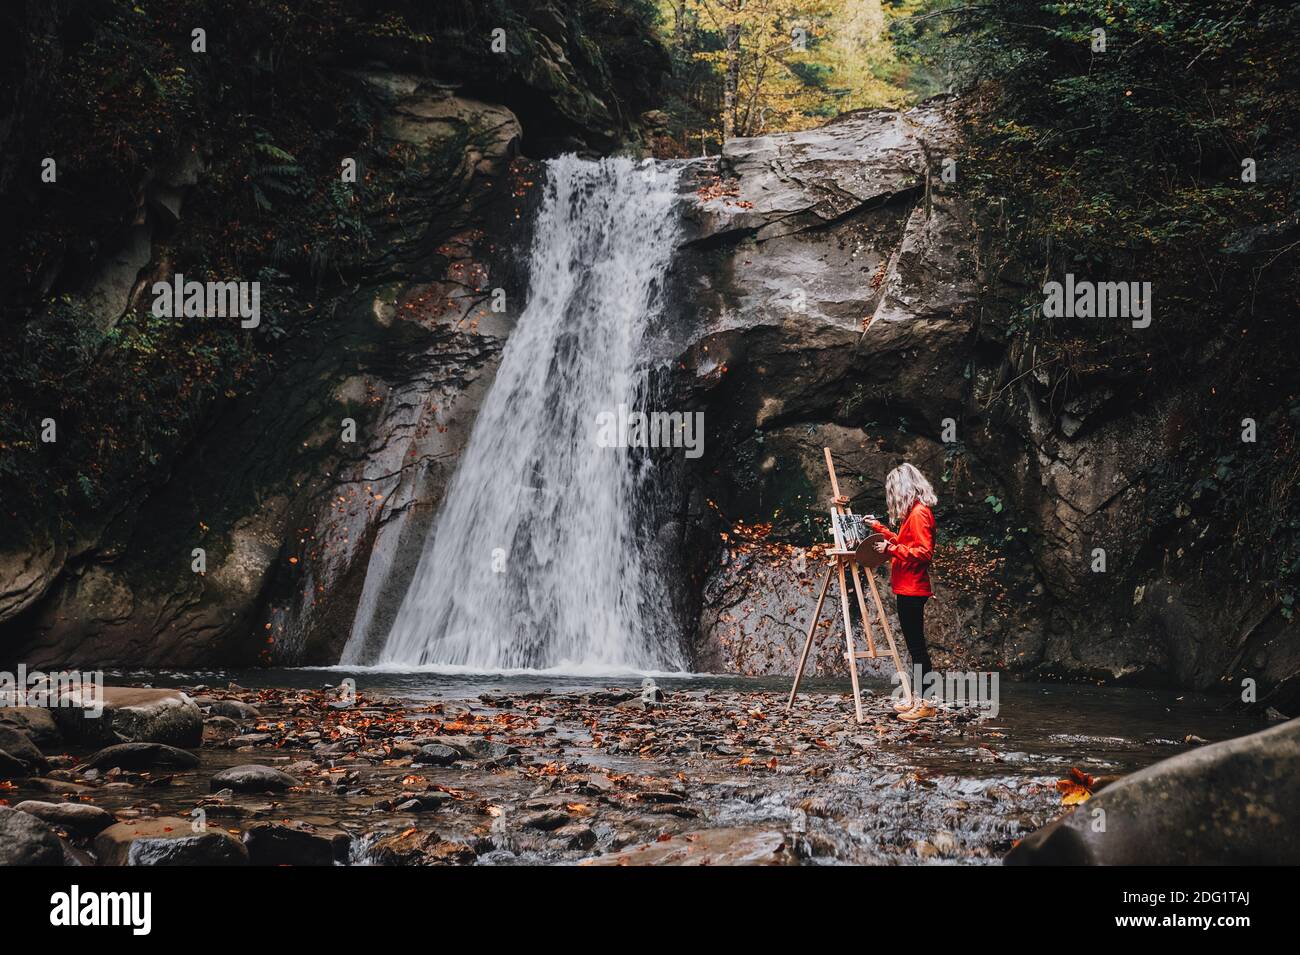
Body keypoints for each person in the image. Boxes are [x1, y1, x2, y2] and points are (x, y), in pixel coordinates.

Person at [837, 462, 938, 721]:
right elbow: (904, 543)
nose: (892, 496)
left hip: (913, 588)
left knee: (917, 648)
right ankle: (919, 699)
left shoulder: (919, 514)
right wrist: (879, 530)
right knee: (914, 647)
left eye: (893, 490)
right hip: (907, 586)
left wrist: (891, 550)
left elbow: (924, 553)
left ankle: (926, 703)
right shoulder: (914, 513)